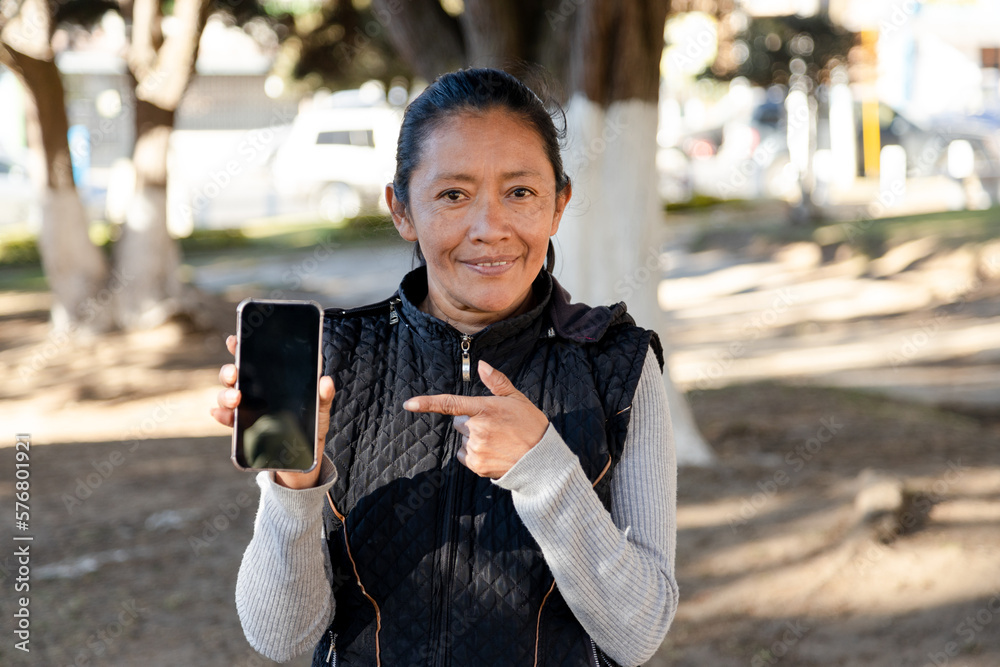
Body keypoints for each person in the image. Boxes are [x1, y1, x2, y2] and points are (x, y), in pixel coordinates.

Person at [211, 67, 678, 667]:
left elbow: (637, 635)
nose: (490, 229)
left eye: (520, 193)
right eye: (453, 195)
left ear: (559, 204)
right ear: (401, 210)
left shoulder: (617, 364)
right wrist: (293, 485)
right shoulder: (336, 359)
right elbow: (282, 638)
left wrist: (545, 468)